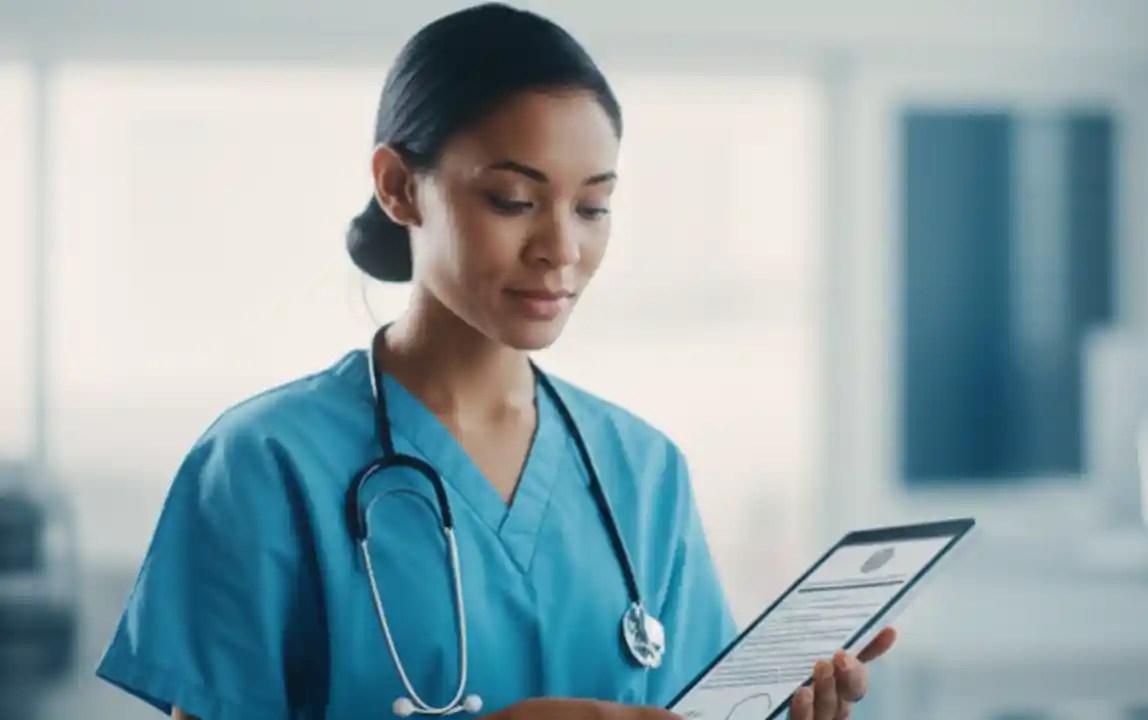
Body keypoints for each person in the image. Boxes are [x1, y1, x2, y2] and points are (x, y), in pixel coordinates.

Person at [94, 4, 896, 719]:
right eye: (514, 200)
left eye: (593, 206)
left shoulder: (643, 473)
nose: (561, 249)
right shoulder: (263, 464)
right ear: (400, 187)